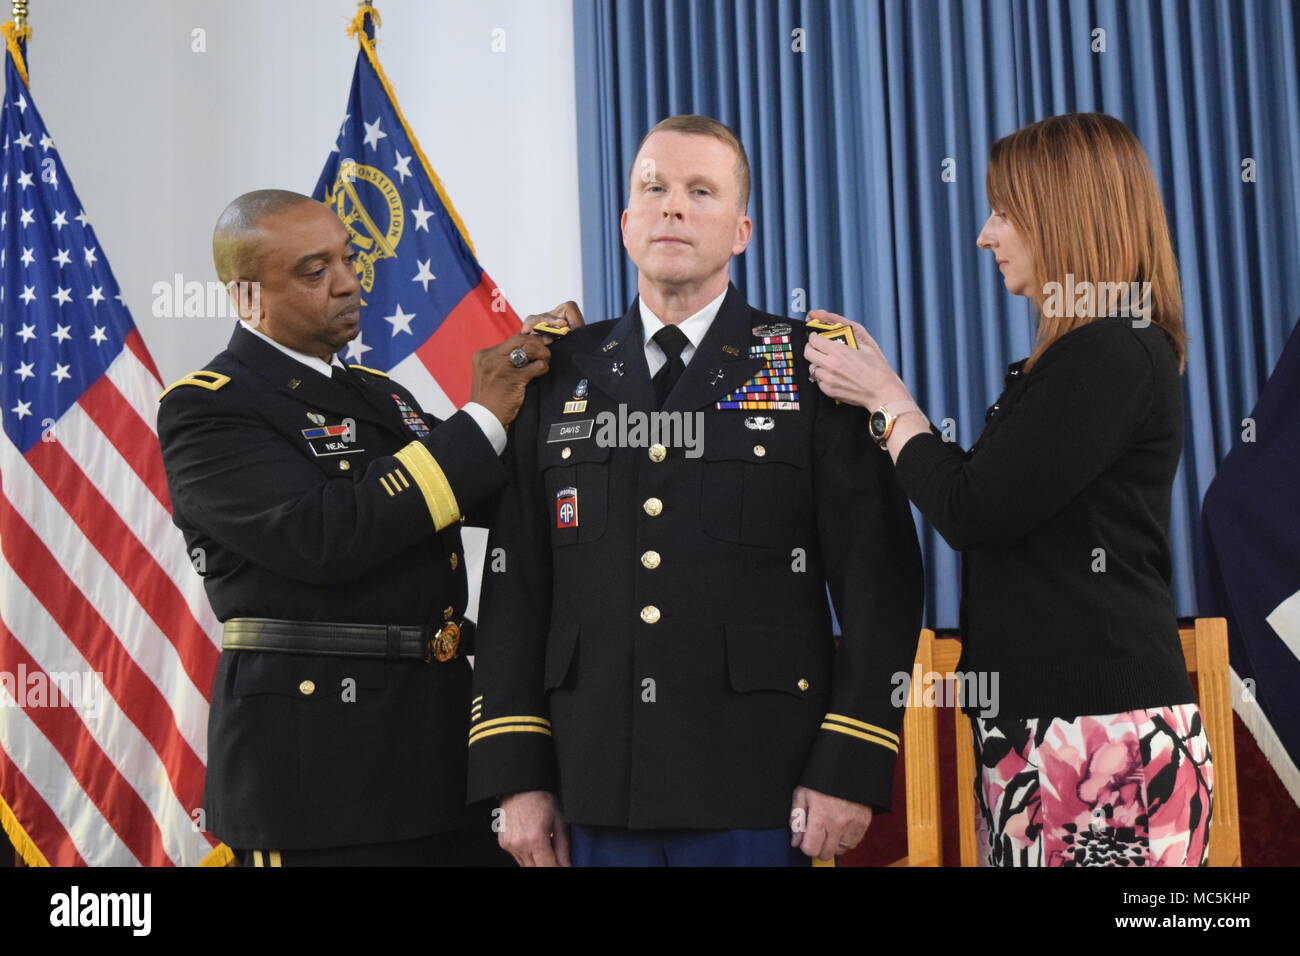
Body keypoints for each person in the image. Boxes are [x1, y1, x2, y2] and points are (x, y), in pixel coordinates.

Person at [467, 115, 924, 866]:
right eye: (654, 188)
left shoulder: (808, 369)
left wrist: (850, 761)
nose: (672, 207)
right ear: (625, 223)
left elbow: (882, 581)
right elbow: (517, 587)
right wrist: (516, 775)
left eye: (700, 191)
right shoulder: (555, 373)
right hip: (592, 782)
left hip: (759, 785)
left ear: (741, 229)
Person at [804, 113, 1213, 867]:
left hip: (1099, 743)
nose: (987, 235)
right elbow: (988, 491)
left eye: (1003, 211)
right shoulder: (1086, 357)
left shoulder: (1112, 352)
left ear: (1064, 213)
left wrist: (889, 400)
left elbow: (971, 506)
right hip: (1041, 733)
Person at [157, 189, 574, 865]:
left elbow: (491, 494)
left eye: (348, 258)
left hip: (437, 744)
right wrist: (480, 418)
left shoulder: (378, 394)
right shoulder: (209, 411)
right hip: (318, 767)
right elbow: (325, 537)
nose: (349, 282)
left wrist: (553, 374)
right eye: (314, 271)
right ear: (247, 298)